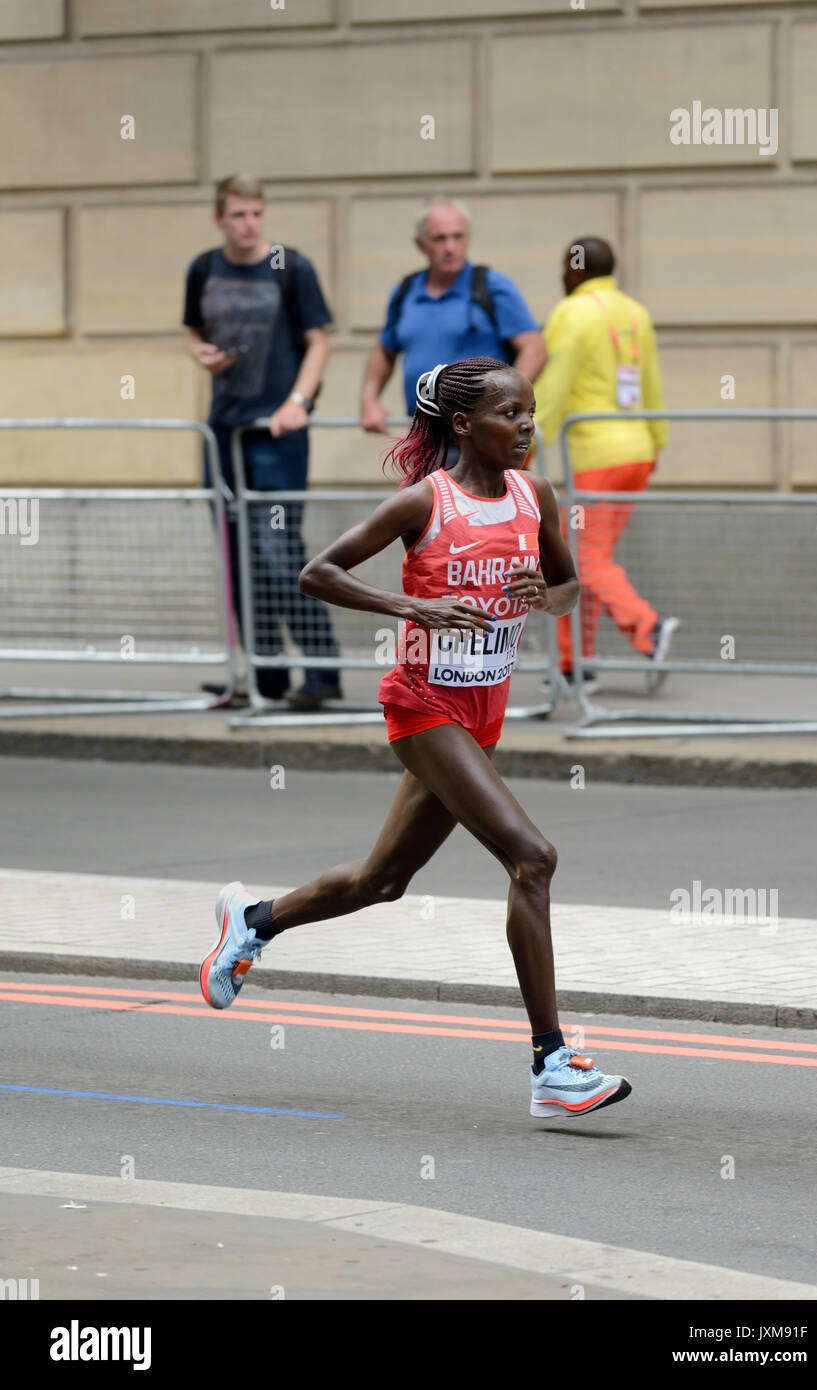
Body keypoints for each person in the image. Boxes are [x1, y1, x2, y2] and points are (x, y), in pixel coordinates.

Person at [199, 356, 632, 1121]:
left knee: (382, 880)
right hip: (423, 706)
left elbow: (565, 588)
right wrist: (412, 608)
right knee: (532, 858)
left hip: (483, 713)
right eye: (510, 415)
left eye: (530, 412)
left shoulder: (536, 495)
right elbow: (317, 572)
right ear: (464, 426)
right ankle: (552, 1063)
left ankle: (254, 922)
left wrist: (548, 594)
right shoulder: (422, 503)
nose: (527, 426)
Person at [183, 173, 343, 709]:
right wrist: (201, 353)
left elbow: (319, 342)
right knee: (236, 554)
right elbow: (193, 334)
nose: (249, 225)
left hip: (275, 435)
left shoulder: (289, 267)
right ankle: (265, 673)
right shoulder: (204, 268)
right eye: (238, 215)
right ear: (219, 218)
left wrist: (297, 402)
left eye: (256, 214)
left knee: (277, 552)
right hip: (224, 431)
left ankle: (322, 672)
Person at [535, 236, 679, 694]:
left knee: (582, 559)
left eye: (564, 267)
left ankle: (647, 628)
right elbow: (651, 382)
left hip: (596, 456)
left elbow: (554, 384)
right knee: (587, 556)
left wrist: (527, 442)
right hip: (636, 451)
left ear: (575, 271)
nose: (562, 275)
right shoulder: (636, 312)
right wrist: (657, 441)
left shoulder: (572, 313)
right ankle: (576, 664)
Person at [360, 197, 547, 459]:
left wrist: (507, 404)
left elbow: (535, 349)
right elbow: (385, 349)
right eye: (440, 238)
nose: (450, 247)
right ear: (420, 244)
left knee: (480, 500)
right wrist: (369, 399)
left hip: (481, 437)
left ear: (468, 238)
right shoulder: (405, 291)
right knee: (429, 500)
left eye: (457, 237)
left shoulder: (492, 286)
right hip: (425, 435)